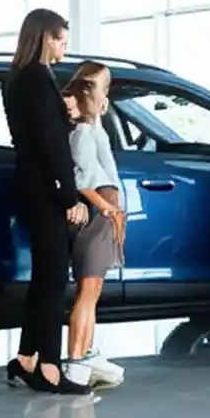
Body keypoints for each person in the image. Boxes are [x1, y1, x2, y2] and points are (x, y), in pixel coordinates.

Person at [2, 8, 91, 394]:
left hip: (29, 185)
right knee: (54, 278)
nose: (64, 48)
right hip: (47, 190)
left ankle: (27, 358)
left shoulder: (16, 78)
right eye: (61, 41)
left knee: (44, 277)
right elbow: (52, 145)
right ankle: (50, 367)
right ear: (44, 37)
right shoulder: (38, 79)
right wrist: (69, 196)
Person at [59, 65, 126, 389]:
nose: (105, 96)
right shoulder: (83, 134)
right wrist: (107, 208)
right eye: (101, 88)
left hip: (103, 212)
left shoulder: (91, 127)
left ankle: (85, 354)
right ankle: (76, 362)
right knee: (87, 292)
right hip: (98, 215)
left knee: (92, 291)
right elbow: (82, 180)